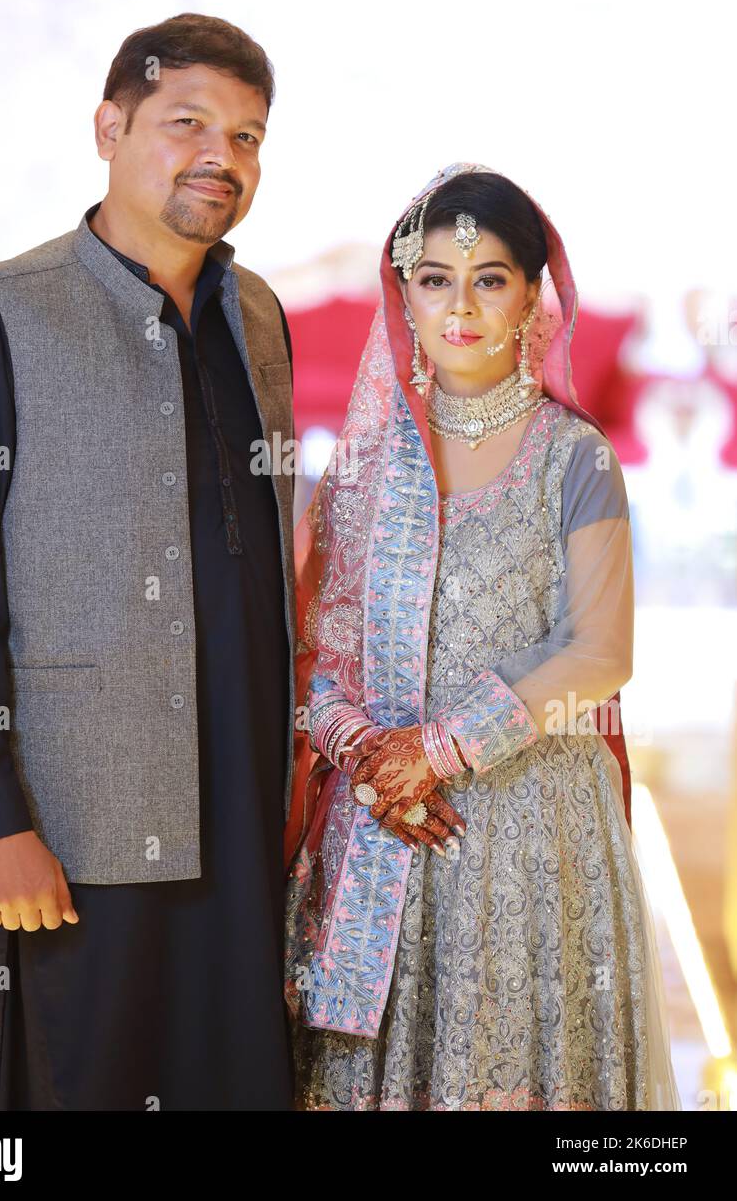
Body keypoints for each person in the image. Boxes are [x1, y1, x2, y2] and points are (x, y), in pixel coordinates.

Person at [0, 13, 297, 1111]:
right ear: (109, 127)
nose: (221, 155)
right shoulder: (4, 315)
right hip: (75, 826)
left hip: (241, 813)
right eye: (186, 123)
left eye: (249, 134)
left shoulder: (255, 315)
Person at [284, 161, 681, 1111]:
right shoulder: (365, 465)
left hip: (529, 830)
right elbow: (318, 655)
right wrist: (370, 754)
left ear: (532, 298)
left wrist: (440, 749)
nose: (460, 306)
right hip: (384, 824)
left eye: (489, 278)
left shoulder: (574, 457)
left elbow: (600, 651)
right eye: (434, 279)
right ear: (404, 293)